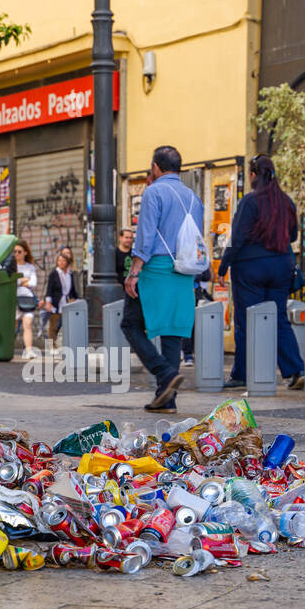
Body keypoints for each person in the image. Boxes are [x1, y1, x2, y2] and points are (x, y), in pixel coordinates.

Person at [123, 145, 203, 413]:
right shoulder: (194, 197)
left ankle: (163, 373)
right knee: (172, 334)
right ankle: (166, 400)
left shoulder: (154, 192)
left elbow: (145, 236)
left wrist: (134, 272)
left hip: (156, 269)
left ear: (155, 167)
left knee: (131, 324)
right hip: (183, 271)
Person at [218, 154, 305, 390]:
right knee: (278, 317)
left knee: (246, 321)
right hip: (281, 266)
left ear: (254, 175)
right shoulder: (286, 202)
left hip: (250, 267)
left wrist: (223, 266)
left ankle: (242, 374)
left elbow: (236, 238)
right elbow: (294, 236)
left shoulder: (250, 201)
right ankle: (295, 370)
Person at [44, 246, 80, 342]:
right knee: (53, 326)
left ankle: (64, 345)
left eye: (63, 261)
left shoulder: (70, 274)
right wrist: (48, 302)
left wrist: (77, 300)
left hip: (67, 302)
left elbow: (72, 290)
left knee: (66, 325)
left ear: (67, 262)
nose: (61, 263)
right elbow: (49, 289)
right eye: (59, 260)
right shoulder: (54, 273)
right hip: (56, 303)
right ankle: (50, 347)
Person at [15, 240, 40, 359]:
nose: (16, 254)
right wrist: (25, 280)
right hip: (13, 298)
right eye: (14, 251)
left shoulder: (30, 267)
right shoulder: (11, 266)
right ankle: (8, 349)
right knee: (13, 327)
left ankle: (29, 350)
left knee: (28, 324)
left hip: (27, 299)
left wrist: (20, 281)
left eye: (19, 251)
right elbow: (14, 282)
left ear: (25, 252)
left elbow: (34, 282)